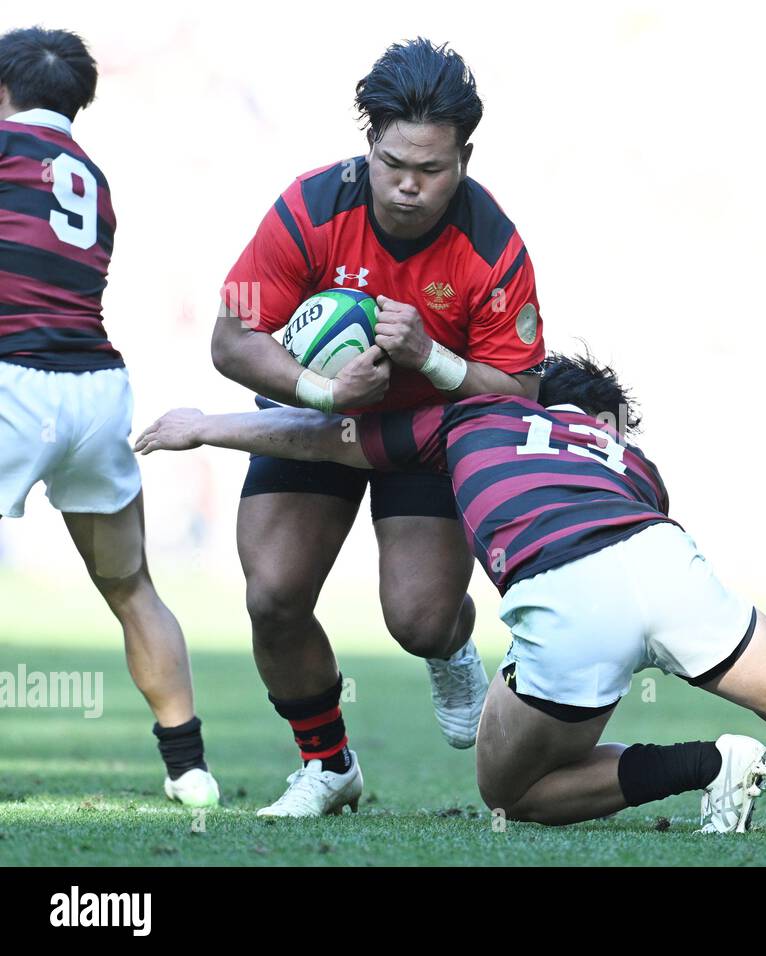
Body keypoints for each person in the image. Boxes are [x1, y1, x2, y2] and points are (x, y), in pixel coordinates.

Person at [135, 353, 766, 839]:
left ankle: (705, 760)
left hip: (568, 594)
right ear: (600, 416)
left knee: (507, 790)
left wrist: (205, 425)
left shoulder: (469, 417)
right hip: (663, 558)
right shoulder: (631, 455)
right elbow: (636, 514)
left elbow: (328, 439)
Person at [210, 39, 546, 815]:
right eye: (393, 162)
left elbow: (522, 389)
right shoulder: (312, 207)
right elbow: (231, 341)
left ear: (464, 157)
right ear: (370, 145)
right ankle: (328, 767)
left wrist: (433, 358)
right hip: (319, 418)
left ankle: (452, 642)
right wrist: (321, 389)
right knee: (274, 595)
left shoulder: (491, 245)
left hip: (425, 435)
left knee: (418, 620)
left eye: (431, 170)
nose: (407, 186)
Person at [0, 26, 218, 807]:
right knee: (131, 588)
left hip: (14, 380)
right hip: (95, 386)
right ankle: (190, 771)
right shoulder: (91, 176)